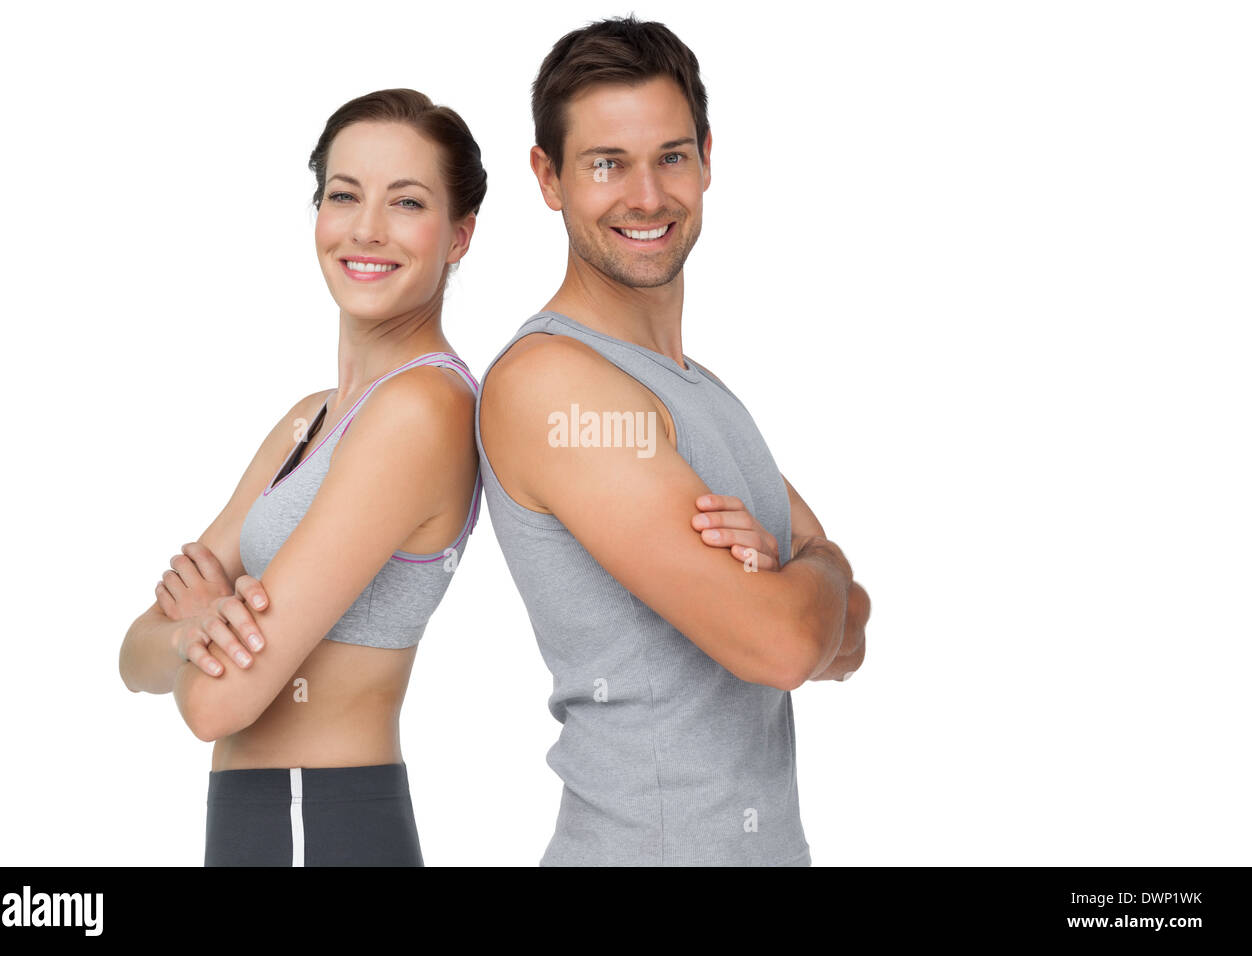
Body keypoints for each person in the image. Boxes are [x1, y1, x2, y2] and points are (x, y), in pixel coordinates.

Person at [476, 16, 871, 866]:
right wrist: (820, 567)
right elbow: (787, 644)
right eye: (606, 164)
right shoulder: (551, 383)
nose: (647, 197)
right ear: (547, 177)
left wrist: (812, 583)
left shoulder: (705, 394)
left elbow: (853, 640)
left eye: (671, 156)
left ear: (707, 157)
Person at [118, 88, 487, 866]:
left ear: (459, 235)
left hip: (321, 820)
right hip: (266, 820)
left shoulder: (423, 409)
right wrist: (192, 631)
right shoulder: (310, 418)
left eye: (407, 202)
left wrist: (199, 627)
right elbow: (132, 655)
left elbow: (219, 703)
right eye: (343, 195)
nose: (366, 229)